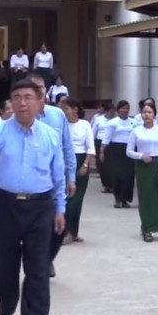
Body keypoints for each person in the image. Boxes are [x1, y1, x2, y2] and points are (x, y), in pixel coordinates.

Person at [0, 78, 66, 315]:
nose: (22, 102)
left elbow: (58, 175)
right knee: (5, 263)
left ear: (39, 101)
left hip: (41, 206)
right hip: (5, 204)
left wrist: (60, 208)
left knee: (37, 266)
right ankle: (6, 305)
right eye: (16, 97)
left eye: (28, 97)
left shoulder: (50, 135)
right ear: (11, 103)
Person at [26, 73, 76, 279]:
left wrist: (71, 176)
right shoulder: (21, 117)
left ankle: (46, 259)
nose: (39, 93)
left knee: (60, 226)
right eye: (34, 89)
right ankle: (37, 263)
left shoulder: (57, 116)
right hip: (30, 183)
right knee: (34, 228)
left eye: (42, 89)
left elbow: (67, 147)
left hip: (54, 180)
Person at [126, 102, 158, 242]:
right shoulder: (136, 131)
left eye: (149, 112)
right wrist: (141, 156)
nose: (146, 115)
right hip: (142, 166)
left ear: (154, 115)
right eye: (144, 112)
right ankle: (146, 228)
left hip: (156, 165)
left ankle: (154, 225)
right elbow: (129, 151)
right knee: (144, 197)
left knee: (156, 197)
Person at [61, 97, 95, 243]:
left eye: (66, 109)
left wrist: (86, 165)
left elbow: (90, 147)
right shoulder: (62, 125)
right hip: (65, 161)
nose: (64, 112)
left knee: (77, 199)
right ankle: (66, 231)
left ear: (75, 109)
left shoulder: (85, 125)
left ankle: (73, 231)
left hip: (81, 160)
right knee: (67, 198)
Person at [100, 100, 137, 208]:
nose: (125, 110)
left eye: (127, 108)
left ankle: (125, 199)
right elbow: (106, 138)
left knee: (128, 176)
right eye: (123, 108)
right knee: (117, 175)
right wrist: (102, 151)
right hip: (115, 150)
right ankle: (118, 198)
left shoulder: (134, 122)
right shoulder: (113, 123)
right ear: (118, 110)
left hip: (129, 150)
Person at [92, 102, 114, 193]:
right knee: (102, 164)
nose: (112, 114)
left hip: (111, 142)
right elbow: (94, 131)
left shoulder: (114, 121)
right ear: (106, 111)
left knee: (111, 164)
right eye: (110, 112)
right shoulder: (98, 119)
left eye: (113, 112)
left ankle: (112, 184)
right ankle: (105, 184)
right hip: (100, 141)